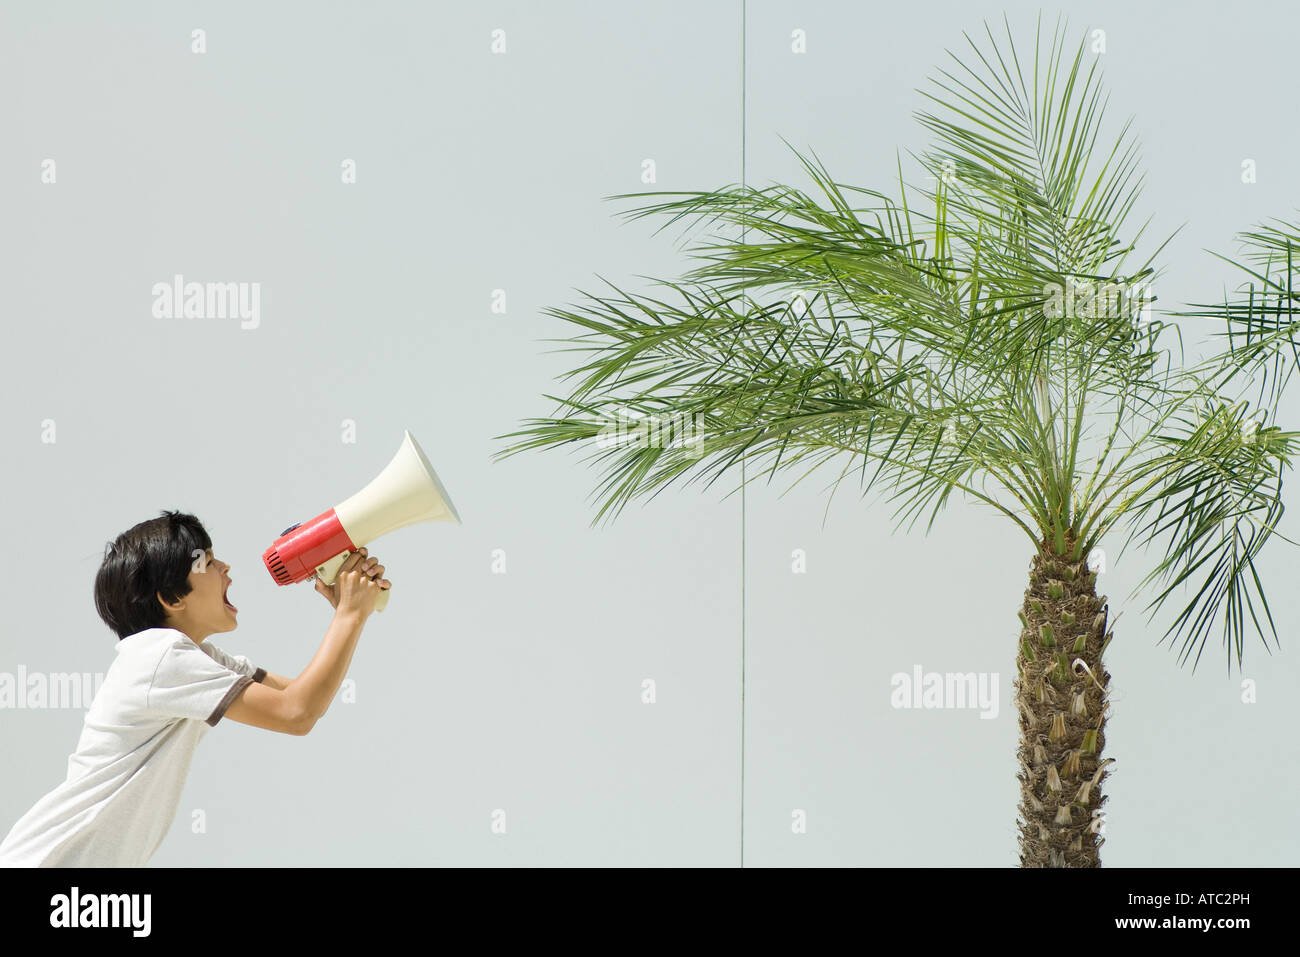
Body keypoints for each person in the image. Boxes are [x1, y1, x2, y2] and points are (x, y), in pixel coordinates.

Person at [0, 509, 388, 867]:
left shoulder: (194, 659)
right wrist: (350, 614)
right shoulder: (160, 656)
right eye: (206, 561)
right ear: (170, 597)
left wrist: (346, 612)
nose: (226, 567)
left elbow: (307, 700)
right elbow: (296, 713)